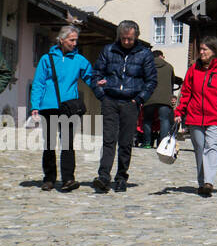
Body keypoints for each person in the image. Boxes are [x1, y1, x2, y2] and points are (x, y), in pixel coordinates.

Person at [90, 20, 157, 194]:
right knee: (108, 140)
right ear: (119, 37)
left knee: (126, 142)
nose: (126, 42)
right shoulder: (108, 50)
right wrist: (101, 94)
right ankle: (104, 176)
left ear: (136, 37)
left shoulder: (144, 54)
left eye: (130, 39)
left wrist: (140, 99)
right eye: (124, 38)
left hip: (130, 101)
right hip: (110, 100)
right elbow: (96, 74)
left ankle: (121, 177)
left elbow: (151, 81)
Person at [29, 25, 94, 192]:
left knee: (67, 144)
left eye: (76, 40)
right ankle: (49, 179)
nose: (74, 43)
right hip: (48, 106)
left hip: (69, 108)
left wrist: (102, 85)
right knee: (49, 144)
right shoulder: (46, 59)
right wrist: (35, 105)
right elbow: (38, 83)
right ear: (62, 40)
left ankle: (68, 179)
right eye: (71, 40)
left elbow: (91, 77)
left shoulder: (79, 60)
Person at [177, 37, 217, 197]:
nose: (202, 52)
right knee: (199, 149)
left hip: (215, 117)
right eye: (201, 49)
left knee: (211, 147)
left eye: (205, 49)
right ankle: (201, 182)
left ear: (214, 50)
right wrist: (179, 111)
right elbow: (186, 92)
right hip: (194, 116)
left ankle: (209, 182)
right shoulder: (193, 69)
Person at [141, 49, 176, 148]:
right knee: (164, 120)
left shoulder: (147, 66)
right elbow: (172, 82)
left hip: (149, 97)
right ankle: (162, 145)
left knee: (147, 120)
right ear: (161, 56)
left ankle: (147, 143)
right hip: (165, 98)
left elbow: (143, 81)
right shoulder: (169, 67)